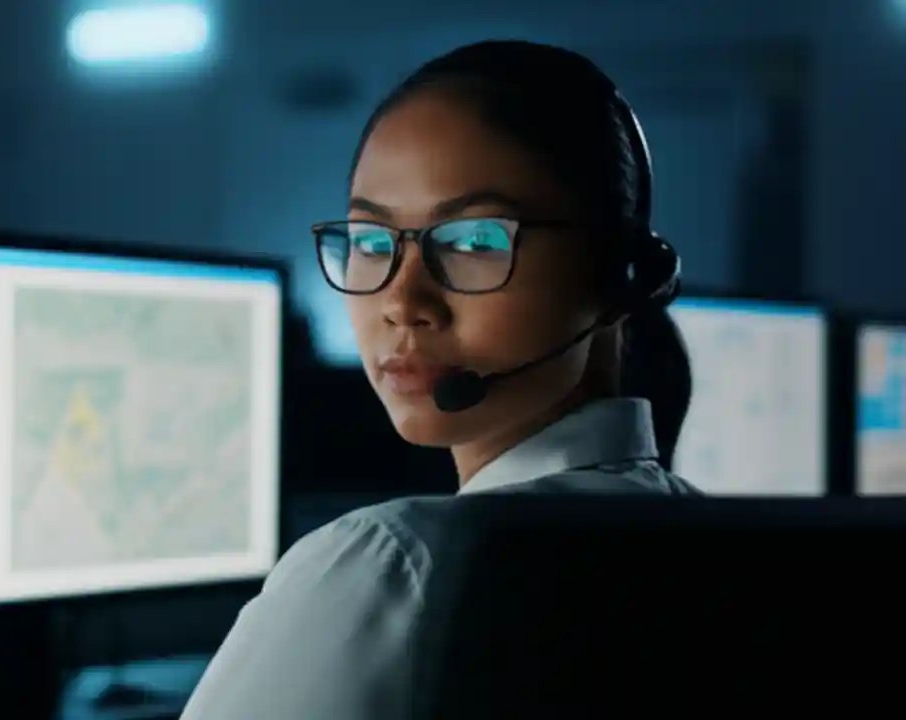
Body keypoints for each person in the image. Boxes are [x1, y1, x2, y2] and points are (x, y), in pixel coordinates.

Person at [179, 40, 701, 719]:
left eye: (475, 242)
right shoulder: (705, 541)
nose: (402, 302)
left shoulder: (394, 566)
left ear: (616, 273)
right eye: (371, 242)